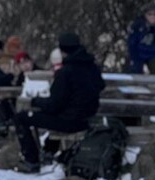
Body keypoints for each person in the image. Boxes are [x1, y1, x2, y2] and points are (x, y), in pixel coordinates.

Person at [13, 30, 104, 172]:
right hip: (88, 118)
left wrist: (35, 101)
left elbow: (54, 105)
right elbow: (100, 86)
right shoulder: (92, 68)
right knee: (52, 117)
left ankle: (31, 160)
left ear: (62, 51)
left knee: (22, 118)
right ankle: (49, 151)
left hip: (70, 121)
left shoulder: (65, 72)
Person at [127, 5, 155, 74]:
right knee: (136, 73)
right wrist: (132, 55)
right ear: (145, 15)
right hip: (139, 53)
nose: (152, 17)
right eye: (150, 14)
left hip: (154, 54)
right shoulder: (138, 25)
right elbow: (132, 42)